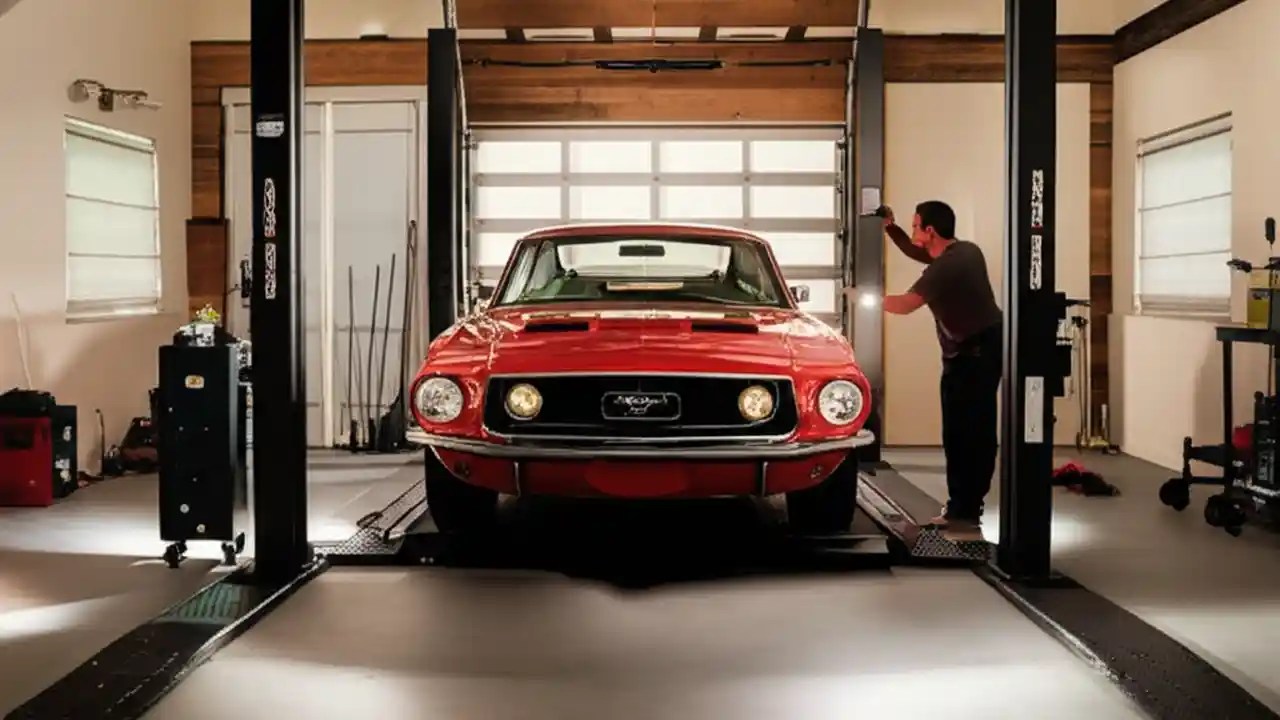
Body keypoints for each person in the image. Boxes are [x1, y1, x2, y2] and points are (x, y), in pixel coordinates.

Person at [854, 201, 1003, 531]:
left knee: (968, 433)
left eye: (914, 225)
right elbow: (914, 251)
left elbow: (907, 304)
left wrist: (863, 299)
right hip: (967, 352)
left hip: (977, 354)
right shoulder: (963, 251)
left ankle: (964, 508)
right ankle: (963, 506)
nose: (912, 231)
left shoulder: (950, 265)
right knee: (960, 431)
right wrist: (889, 228)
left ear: (929, 231)